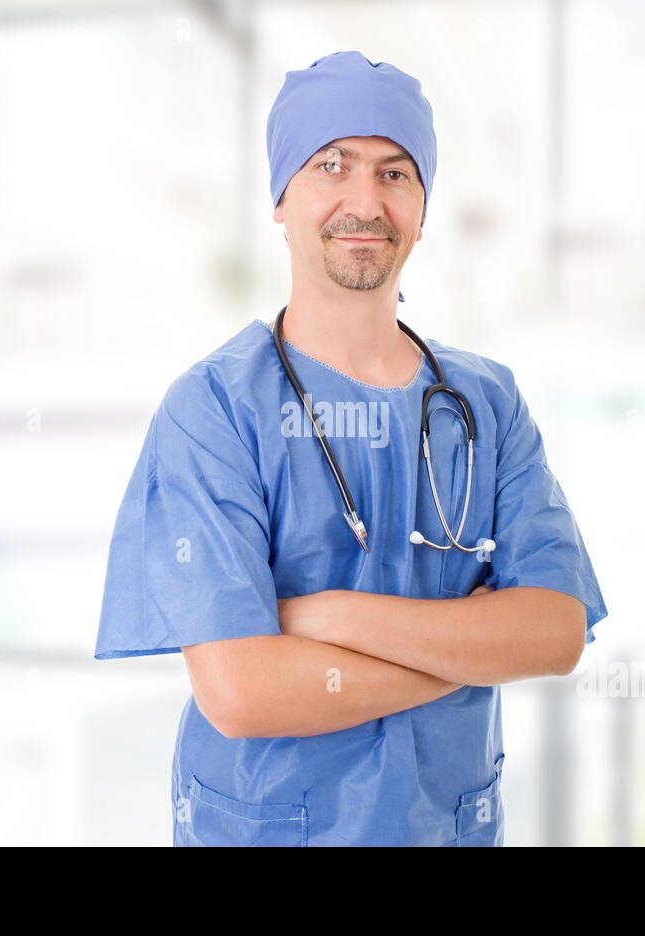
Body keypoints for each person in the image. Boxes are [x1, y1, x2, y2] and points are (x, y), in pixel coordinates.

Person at [94, 50, 607, 846]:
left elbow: (555, 632)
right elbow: (241, 692)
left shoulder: (486, 404)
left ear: (423, 207)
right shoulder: (215, 410)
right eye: (332, 165)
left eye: (395, 173)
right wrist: (468, 648)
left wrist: (328, 618)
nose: (364, 201)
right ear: (281, 198)